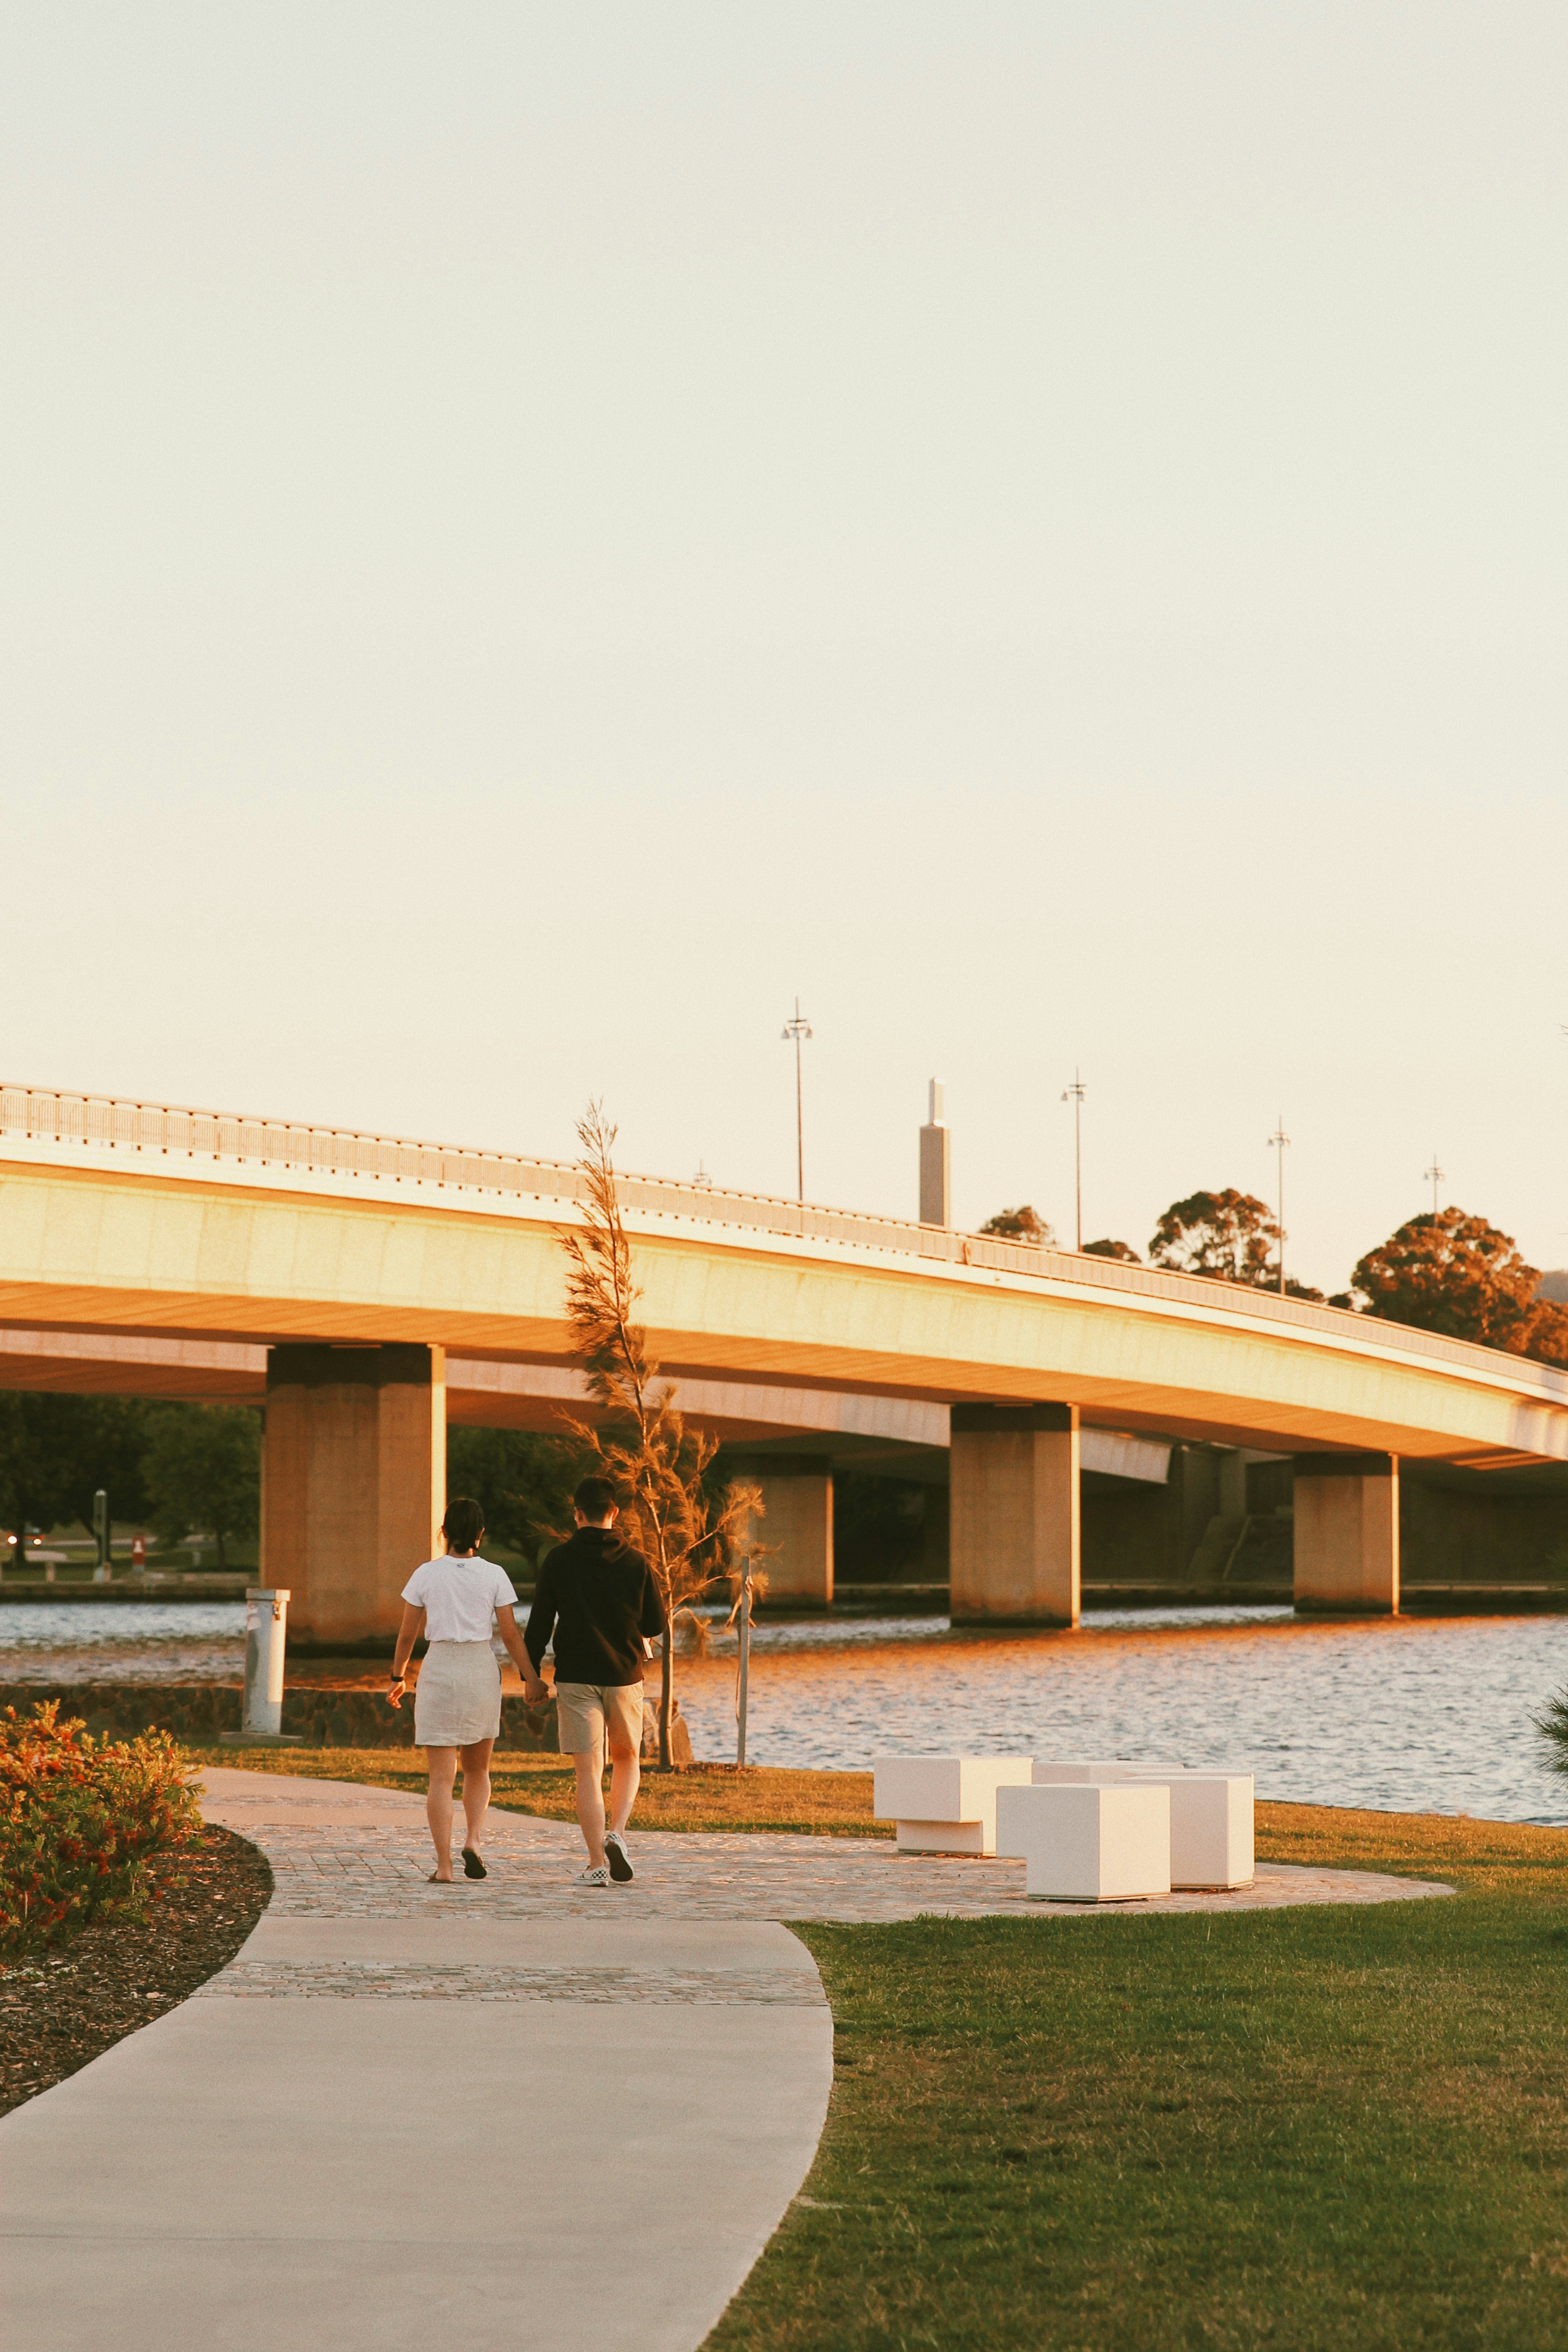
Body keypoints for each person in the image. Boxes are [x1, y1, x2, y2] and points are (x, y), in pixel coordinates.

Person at [387, 1495, 546, 1883]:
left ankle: (444, 1867)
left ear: (444, 1532)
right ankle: (473, 1840)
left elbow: (408, 1634)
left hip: (439, 1667)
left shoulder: (425, 1574)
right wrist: (531, 1679)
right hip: (479, 1668)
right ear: (481, 1534)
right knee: (478, 1769)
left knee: (441, 1777)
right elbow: (510, 1634)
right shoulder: (494, 1575)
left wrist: (398, 1678)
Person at [525, 1474, 667, 1887]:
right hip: (624, 1676)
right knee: (627, 1758)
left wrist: (531, 1675)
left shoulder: (558, 1560)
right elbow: (655, 1623)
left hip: (575, 1677)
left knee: (587, 1771)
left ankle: (595, 1863)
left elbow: (538, 1625)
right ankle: (617, 1833)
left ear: (577, 1514)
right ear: (615, 1513)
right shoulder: (638, 1562)